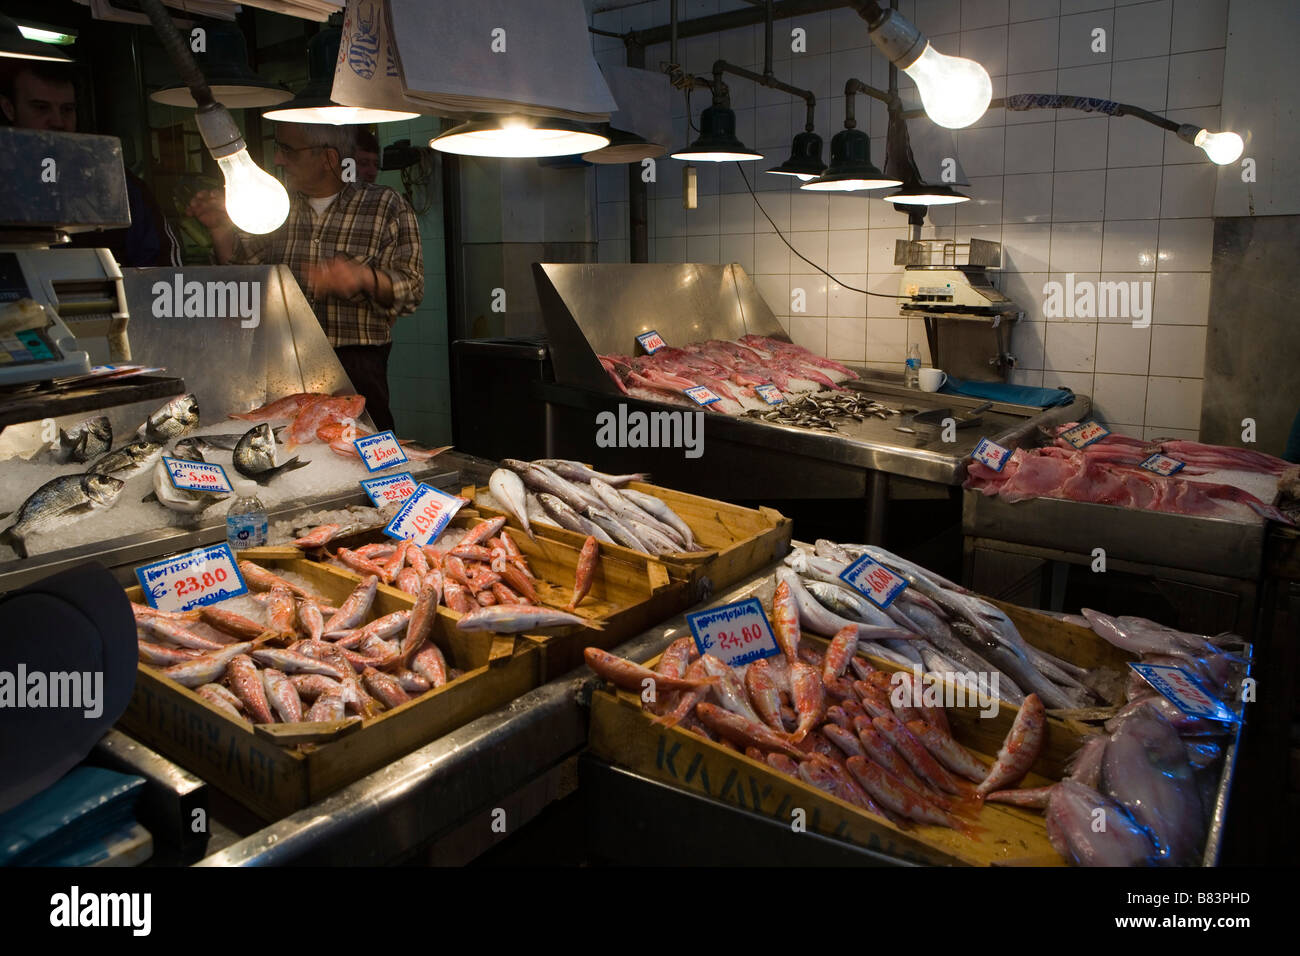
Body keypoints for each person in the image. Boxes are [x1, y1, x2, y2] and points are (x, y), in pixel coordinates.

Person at [187, 122, 422, 433]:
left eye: (288, 150)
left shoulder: (385, 205)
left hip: (356, 366)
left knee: (362, 449)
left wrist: (364, 278)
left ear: (327, 158)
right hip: (282, 365)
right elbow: (240, 279)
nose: (278, 159)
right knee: (286, 448)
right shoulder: (272, 208)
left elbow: (412, 291)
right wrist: (219, 228)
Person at [0, 59, 180, 268]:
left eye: (67, 109)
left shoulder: (116, 184)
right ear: (9, 108)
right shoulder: (6, 182)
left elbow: (164, 271)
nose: (58, 122)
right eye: (41, 108)